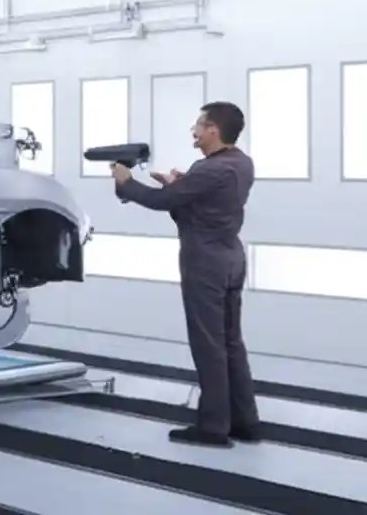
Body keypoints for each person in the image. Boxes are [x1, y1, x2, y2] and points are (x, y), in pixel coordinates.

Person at [110, 101, 260, 448]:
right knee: (230, 342)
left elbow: (163, 202)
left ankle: (213, 427)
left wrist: (126, 182)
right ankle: (245, 421)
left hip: (205, 260)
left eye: (198, 125)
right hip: (231, 257)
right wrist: (179, 184)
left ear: (213, 130)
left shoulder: (208, 170)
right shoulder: (240, 163)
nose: (193, 132)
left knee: (209, 344)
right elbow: (197, 199)